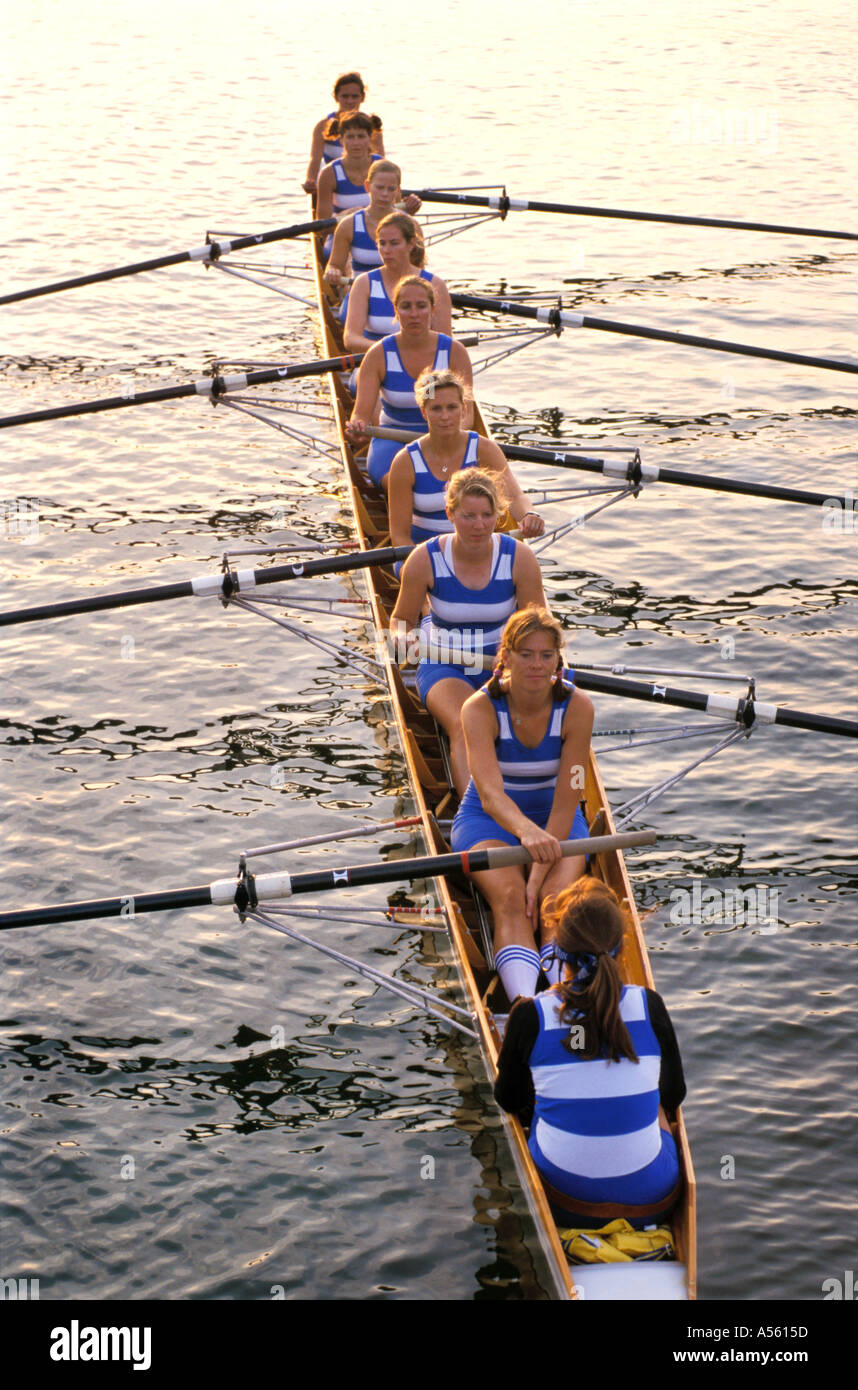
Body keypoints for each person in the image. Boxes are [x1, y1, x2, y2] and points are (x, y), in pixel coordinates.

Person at [494, 876, 686, 1229]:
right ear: (621, 947)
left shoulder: (529, 1015)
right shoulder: (650, 1005)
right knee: (655, 1100)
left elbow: (509, 1100)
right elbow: (674, 1096)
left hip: (564, 1201)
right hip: (653, 1201)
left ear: (557, 951)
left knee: (542, 1104)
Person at [451, 606, 593, 1002]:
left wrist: (538, 870)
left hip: (558, 821)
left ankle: (567, 1002)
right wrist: (527, 836)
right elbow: (493, 797)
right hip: (489, 821)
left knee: (552, 905)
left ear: (558, 659)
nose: (536, 665)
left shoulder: (578, 708)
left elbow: (570, 797)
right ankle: (522, 1007)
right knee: (513, 901)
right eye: (525, 654)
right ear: (506, 656)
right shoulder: (478, 709)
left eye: (546, 655)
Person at [390, 471, 545, 797]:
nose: (479, 525)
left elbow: (538, 628)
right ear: (450, 514)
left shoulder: (520, 558)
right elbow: (401, 619)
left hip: (501, 663)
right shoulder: (424, 559)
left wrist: (526, 663)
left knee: (523, 729)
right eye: (469, 516)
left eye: (488, 516)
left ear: (500, 516)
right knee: (466, 724)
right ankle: (474, 814)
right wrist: (402, 638)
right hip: (444, 663)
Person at [388, 368, 545, 545]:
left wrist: (529, 514)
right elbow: (400, 536)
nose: (445, 416)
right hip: (423, 552)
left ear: (463, 409)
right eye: (436, 409)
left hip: (478, 547)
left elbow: (515, 497)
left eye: (452, 407)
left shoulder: (484, 450)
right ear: (424, 412)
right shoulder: (405, 462)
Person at [347, 276, 469, 490]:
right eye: (406, 307)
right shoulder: (378, 354)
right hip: (391, 437)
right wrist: (357, 426)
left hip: (444, 438)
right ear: (395, 310)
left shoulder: (455, 352)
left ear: (432, 310)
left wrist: (448, 441)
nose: (414, 314)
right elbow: (361, 414)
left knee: (450, 486)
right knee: (404, 484)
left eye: (421, 306)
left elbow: (467, 417)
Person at [342, 212, 449, 350]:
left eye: (394, 243)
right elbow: (350, 339)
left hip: (423, 366)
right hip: (375, 364)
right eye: (382, 243)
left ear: (410, 244)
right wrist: (390, 351)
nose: (386, 250)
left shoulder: (435, 284)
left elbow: (445, 343)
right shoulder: (364, 283)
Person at [303, 72, 383, 195]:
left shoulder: (371, 126)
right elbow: (315, 159)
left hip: (365, 185)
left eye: (354, 96)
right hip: (330, 183)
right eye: (344, 96)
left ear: (362, 97)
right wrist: (311, 181)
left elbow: (381, 163)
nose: (350, 101)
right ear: (336, 97)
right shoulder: (323, 126)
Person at [315, 111, 383, 224]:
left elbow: (396, 216)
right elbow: (322, 228)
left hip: (380, 235)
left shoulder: (382, 166)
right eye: (350, 137)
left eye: (361, 136)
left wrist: (409, 207)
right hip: (340, 235)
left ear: (370, 138)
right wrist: (348, 216)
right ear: (341, 140)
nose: (356, 143)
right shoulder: (329, 173)